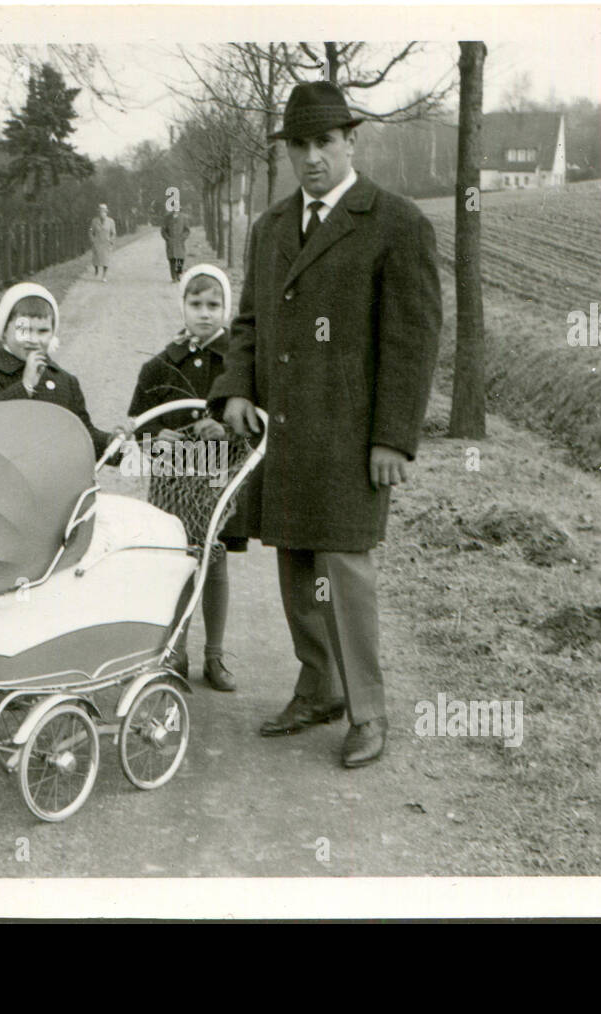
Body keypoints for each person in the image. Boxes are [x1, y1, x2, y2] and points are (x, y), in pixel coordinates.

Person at [209, 81, 442, 769]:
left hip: (350, 437)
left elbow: (413, 341)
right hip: (282, 432)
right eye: (298, 145)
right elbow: (248, 323)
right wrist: (234, 390)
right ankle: (319, 687)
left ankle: (368, 711)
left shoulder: (395, 223)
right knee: (295, 562)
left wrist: (393, 439)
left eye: (324, 143)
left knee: (344, 569)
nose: (311, 157)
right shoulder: (271, 227)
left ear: (351, 143)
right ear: (285, 151)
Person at [128, 264, 244, 691]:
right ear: (183, 307)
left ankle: (215, 656)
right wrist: (158, 435)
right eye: (196, 304)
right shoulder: (160, 365)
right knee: (178, 561)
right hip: (174, 479)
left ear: (226, 309)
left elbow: (255, 420)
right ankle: (175, 650)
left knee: (214, 560)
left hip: (218, 475)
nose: (205, 313)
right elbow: (140, 425)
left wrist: (227, 429)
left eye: (214, 305)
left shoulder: (237, 364)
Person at [0, 282, 118, 461]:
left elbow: (83, 435)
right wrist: (25, 387)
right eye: (23, 330)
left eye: (43, 331)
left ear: (52, 334)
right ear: (4, 331)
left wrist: (114, 444)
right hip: (10, 478)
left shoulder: (65, 381)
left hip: (57, 479)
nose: (33, 340)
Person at [160, 209, 191, 282]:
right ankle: (173, 277)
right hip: (171, 242)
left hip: (180, 242)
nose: (175, 209)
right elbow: (163, 230)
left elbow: (187, 230)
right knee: (172, 260)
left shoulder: (183, 217)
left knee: (180, 259)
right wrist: (167, 238)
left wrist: (182, 238)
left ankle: (179, 275)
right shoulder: (167, 217)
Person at [89, 203, 116, 281]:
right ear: (98, 212)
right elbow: (90, 231)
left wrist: (111, 240)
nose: (102, 213)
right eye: (101, 211)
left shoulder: (111, 221)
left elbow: (113, 232)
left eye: (104, 211)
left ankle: (104, 276)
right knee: (96, 259)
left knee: (106, 260)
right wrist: (92, 240)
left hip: (106, 242)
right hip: (97, 242)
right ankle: (96, 270)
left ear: (106, 212)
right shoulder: (94, 221)